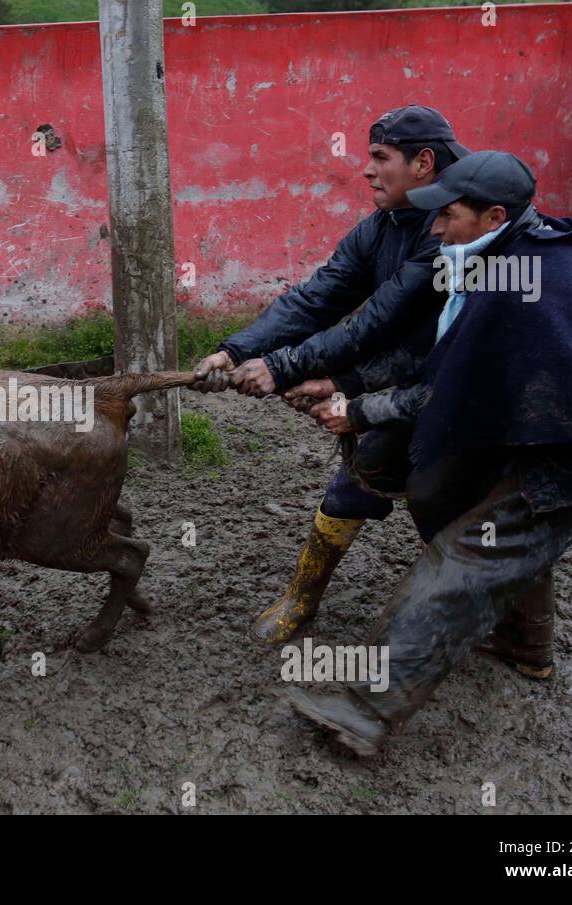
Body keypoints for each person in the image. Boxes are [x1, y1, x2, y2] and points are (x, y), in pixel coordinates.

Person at [284, 150, 572, 755]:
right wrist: (348, 385)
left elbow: (447, 391)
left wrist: (358, 410)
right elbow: (441, 360)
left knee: (467, 554)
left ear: (493, 214)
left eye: (448, 217)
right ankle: (528, 647)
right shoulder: (522, 254)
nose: (437, 230)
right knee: (505, 536)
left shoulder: (517, 287)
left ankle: (364, 708)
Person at [192, 105, 469, 644]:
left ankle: (521, 633)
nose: (366, 170)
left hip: (462, 396)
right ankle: (302, 597)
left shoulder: (451, 235)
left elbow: (380, 322)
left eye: (380, 157)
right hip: (409, 388)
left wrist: (287, 368)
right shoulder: (382, 226)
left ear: (424, 163)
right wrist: (237, 350)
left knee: (459, 513)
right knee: (356, 488)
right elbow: (319, 298)